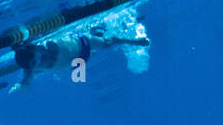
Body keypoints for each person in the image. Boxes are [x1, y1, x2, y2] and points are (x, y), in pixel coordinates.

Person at [11, 21, 150, 89]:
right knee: (92, 54)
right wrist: (21, 86)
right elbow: (27, 82)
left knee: (106, 43)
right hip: (79, 60)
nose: (40, 60)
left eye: (37, 57)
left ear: (33, 49)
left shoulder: (43, 42)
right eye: (36, 63)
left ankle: (132, 41)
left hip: (82, 42)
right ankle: (98, 31)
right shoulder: (31, 68)